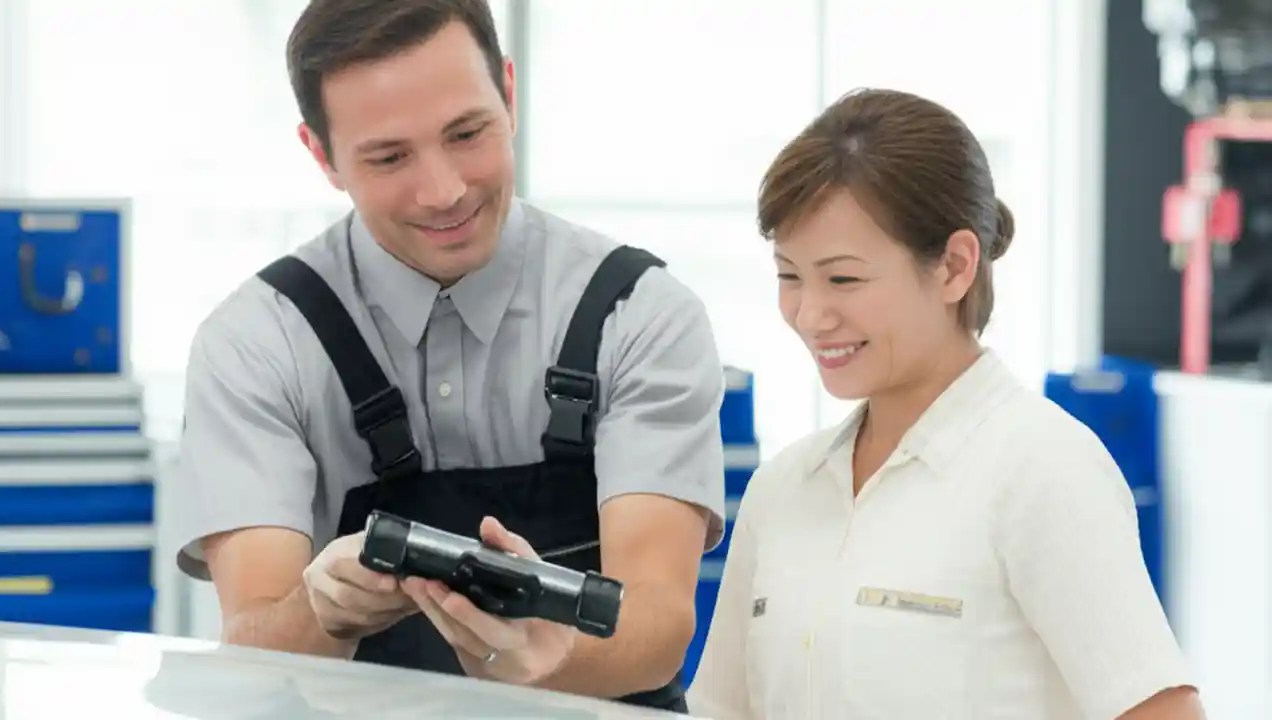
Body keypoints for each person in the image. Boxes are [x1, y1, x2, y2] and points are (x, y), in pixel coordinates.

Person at [169, 0, 726, 712]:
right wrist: (323, 611)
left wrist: (548, 664)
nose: (445, 192)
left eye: (466, 133)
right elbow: (252, 649)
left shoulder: (640, 314)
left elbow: (658, 624)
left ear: (510, 94)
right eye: (389, 157)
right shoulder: (255, 343)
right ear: (321, 155)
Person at [686, 88, 1206, 719]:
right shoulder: (781, 491)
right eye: (789, 276)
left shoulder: (1044, 469)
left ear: (956, 267)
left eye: (844, 278)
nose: (811, 314)